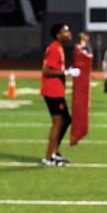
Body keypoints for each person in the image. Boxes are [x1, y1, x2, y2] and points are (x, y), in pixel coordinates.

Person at [40, 23, 79, 166]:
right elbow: (46, 70)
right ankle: (49, 157)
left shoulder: (58, 47)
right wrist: (66, 72)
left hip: (56, 90)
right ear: (58, 35)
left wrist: (66, 71)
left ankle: (54, 152)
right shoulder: (54, 48)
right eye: (65, 31)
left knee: (66, 120)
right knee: (58, 122)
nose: (69, 34)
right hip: (52, 91)